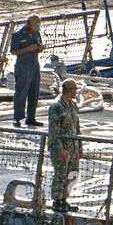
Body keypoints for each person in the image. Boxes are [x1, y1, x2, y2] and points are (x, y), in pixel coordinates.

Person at [47, 78, 82, 213]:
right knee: (60, 173)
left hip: (72, 146)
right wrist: (60, 148)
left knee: (72, 173)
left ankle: (64, 199)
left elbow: (77, 127)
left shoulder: (73, 106)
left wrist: (80, 147)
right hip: (60, 147)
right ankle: (57, 200)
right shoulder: (56, 107)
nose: (76, 92)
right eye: (74, 90)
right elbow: (54, 130)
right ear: (67, 90)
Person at [10, 15, 44, 127]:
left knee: (34, 93)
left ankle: (31, 117)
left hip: (35, 66)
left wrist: (39, 48)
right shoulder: (18, 35)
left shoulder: (37, 34)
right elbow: (14, 51)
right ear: (28, 24)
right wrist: (28, 49)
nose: (35, 29)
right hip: (22, 67)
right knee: (21, 92)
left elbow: (38, 45)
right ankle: (17, 118)